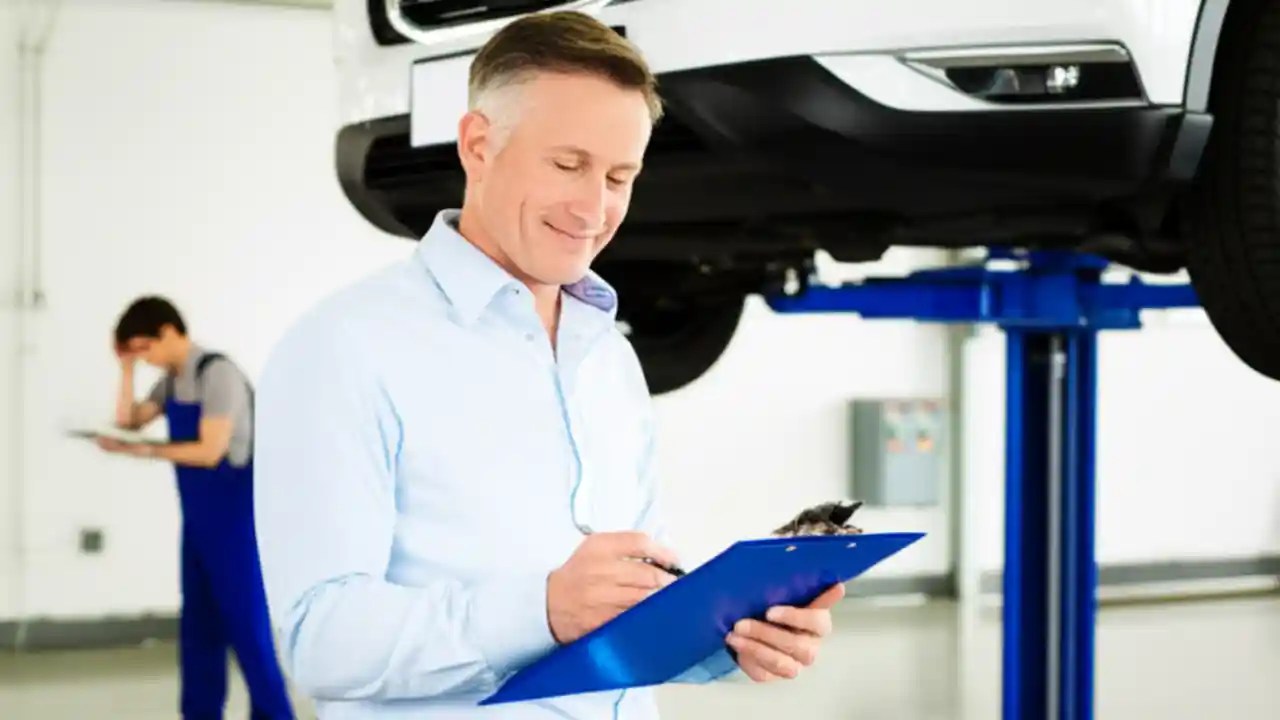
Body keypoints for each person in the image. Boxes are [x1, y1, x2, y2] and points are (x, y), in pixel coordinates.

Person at [252, 11, 843, 719]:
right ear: (478, 145)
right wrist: (541, 610)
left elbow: (626, 614)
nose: (595, 208)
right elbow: (321, 641)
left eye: (620, 177)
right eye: (568, 165)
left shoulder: (609, 355)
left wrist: (735, 637)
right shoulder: (344, 348)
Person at [99, 295, 294, 720]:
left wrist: (144, 451)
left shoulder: (216, 374)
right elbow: (129, 421)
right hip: (198, 526)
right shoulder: (172, 381)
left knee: (247, 629)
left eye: (144, 349)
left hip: (234, 522)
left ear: (168, 332)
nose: (145, 360)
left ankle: (276, 715)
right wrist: (125, 369)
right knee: (199, 629)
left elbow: (209, 451)